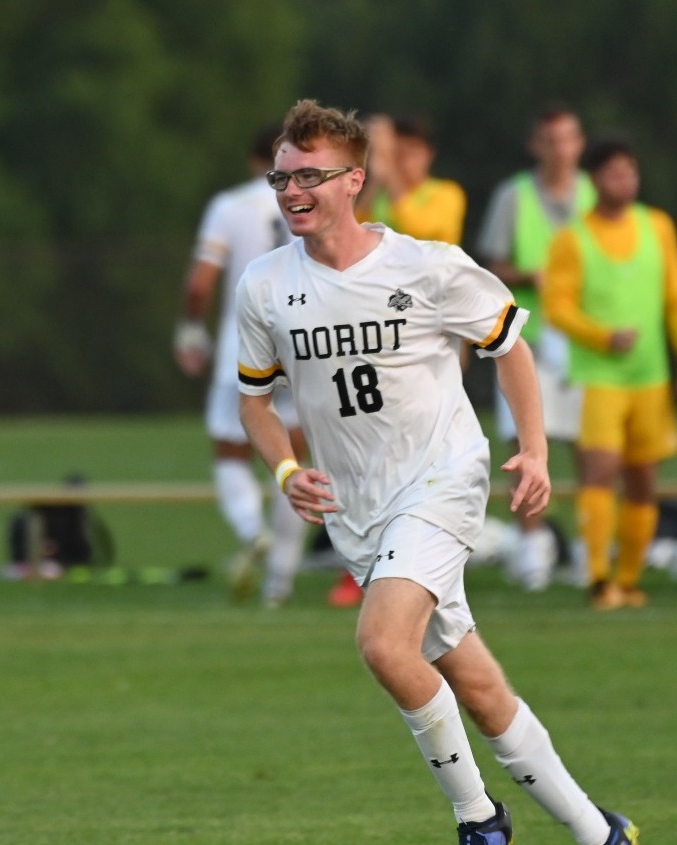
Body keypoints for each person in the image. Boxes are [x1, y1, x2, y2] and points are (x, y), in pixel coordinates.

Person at [237, 98, 637, 845]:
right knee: (480, 689)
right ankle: (598, 832)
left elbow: (507, 341)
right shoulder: (264, 285)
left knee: (383, 645)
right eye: (280, 177)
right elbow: (254, 401)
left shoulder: (426, 265)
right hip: (360, 511)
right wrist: (287, 467)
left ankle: (478, 819)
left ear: (353, 181)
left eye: (308, 176)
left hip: (441, 479)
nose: (291, 191)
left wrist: (535, 448)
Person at [542, 134, 677, 610]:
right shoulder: (572, 239)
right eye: (616, 173)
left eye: (631, 171)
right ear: (595, 180)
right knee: (600, 473)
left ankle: (631, 578)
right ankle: (597, 576)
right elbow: (558, 308)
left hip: (650, 377)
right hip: (599, 378)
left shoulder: (657, 226)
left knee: (643, 480)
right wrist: (602, 336)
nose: (626, 180)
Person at [324, 113, 469, 608]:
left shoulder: (445, 195)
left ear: (427, 154)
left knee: (427, 449)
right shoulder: (378, 194)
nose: (401, 159)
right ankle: (361, 564)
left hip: (428, 340)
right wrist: (371, 177)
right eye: (393, 150)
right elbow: (345, 231)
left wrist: (386, 171)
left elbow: (425, 236)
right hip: (377, 338)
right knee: (366, 454)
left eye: (410, 150)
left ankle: (427, 558)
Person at [174, 123, 308, 607]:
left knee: (231, 452)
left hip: (244, 347)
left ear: (255, 161)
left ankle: (254, 532)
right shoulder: (313, 198)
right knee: (295, 463)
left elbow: (200, 283)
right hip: (302, 347)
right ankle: (281, 583)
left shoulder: (231, 206)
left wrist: (190, 329)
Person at [477, 102, 593, 591]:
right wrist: (532, 275)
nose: (560, 149)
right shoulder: (514, 195)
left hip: (587, 337)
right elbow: (491, 263)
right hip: (530, 336)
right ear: (535, 145)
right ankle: (533, 552)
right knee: (523, 447)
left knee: (591, 449)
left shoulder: (593, 191)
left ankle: (590, 547)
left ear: (580, 143)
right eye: (550, 139)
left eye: (568, 138)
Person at [356, 114, 466, 245]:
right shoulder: (378, 196)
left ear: (430, 153)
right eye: (398, 154)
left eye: (413, 154)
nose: (406, 162)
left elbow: (417, 228)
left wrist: (388, 165)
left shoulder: (447, 192)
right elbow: (352, 234)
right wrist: (376, 178)